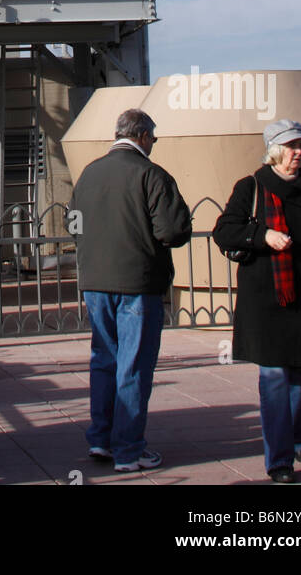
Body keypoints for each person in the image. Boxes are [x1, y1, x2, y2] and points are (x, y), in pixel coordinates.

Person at [213, 119, 301, 484]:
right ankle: (280, 460)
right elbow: (224, 230)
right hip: (267, 302)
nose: (299, 152)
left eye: (300, 144)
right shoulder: (252, 186)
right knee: (274, 379)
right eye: (291, 146)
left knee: (300, 378)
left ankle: (295, 435)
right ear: (274, 150)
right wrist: (263, 234)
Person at [71, 108, 192, 472]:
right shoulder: (151, 175)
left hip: (95, 282)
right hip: (137, 283)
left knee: (104, 360)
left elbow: (72, 223)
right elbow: (172, 231)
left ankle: (101, 439)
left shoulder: (89, 173)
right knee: (134, 365)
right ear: (141, 136)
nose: (154, 144)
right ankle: (129, 450)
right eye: (153, 138)